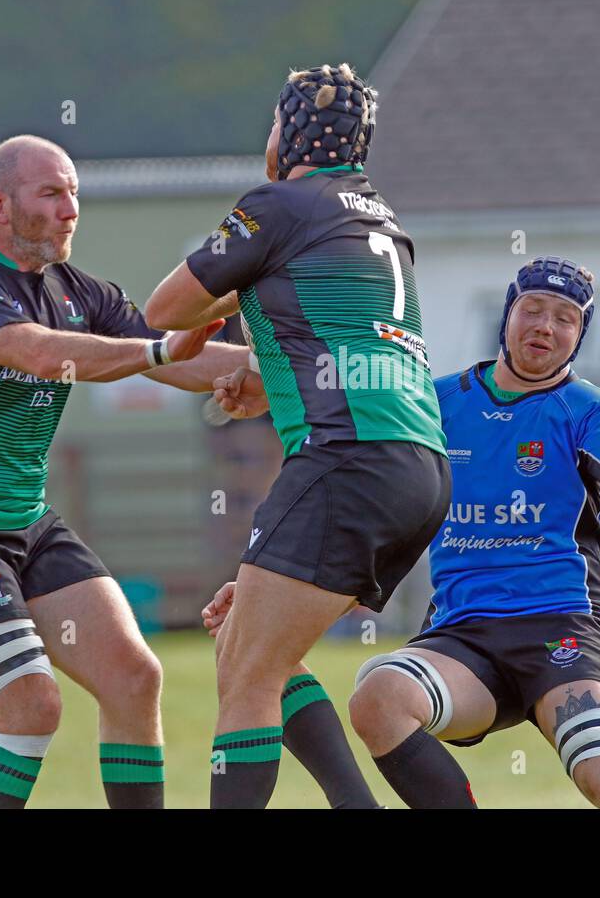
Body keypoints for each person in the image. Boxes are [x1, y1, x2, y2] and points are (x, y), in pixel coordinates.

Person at [208, 257, 600, 809]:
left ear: (579, 336)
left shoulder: (587, 409)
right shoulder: (436, 401)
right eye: (532, 310)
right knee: (380, 695)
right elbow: (347, 420)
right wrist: (274, 592)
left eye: (565, 318)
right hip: (463, 641)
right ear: (507, 316)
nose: (545, 327)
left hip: (559, 631)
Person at [0, 135, 251, 808]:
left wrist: (282, 376)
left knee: (134, 678)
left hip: (27, 524)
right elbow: (42, 355)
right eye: (51, 193)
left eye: (74, 191)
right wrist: (163, 349)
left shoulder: (81, 291)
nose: (70, 208)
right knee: (31, 706)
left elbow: (180, 358)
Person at [146, 63, 451, 809]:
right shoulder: (380, 219)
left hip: (345, 461)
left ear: (288, 133)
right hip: (420, 469)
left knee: (245, 676)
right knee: (253, 650)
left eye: (275, 125)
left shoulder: (279, 205)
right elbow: (336, 338)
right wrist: (266, 371)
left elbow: (166, 308)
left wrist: (216, 310)